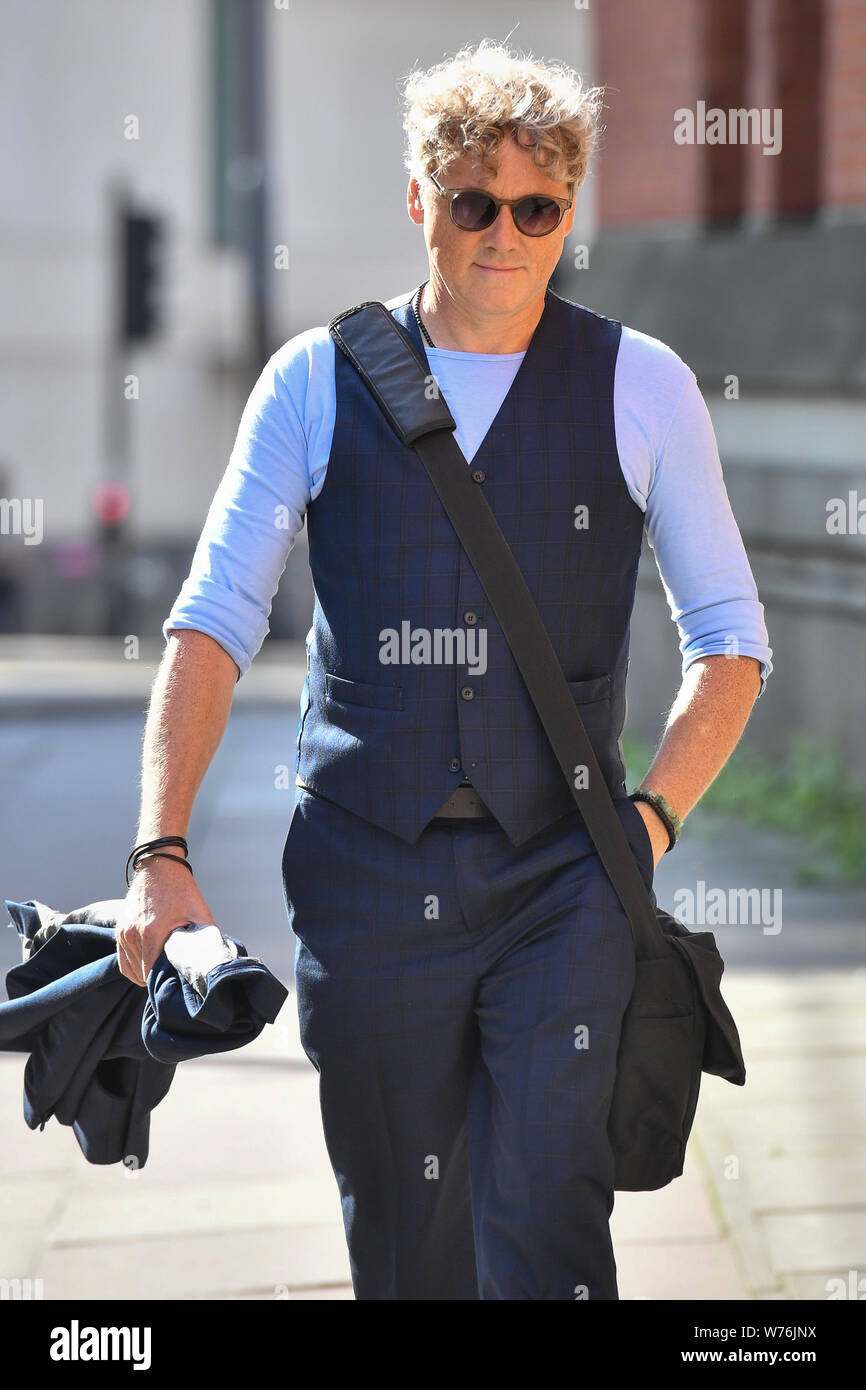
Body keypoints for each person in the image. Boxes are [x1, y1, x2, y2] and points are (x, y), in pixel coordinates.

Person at [117, 40, 773, 1300]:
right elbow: (211, 622)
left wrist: (648, 824)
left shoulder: (643, 385)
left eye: (535, 208)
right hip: (366, 877)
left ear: (566, 215)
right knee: (405, 1247)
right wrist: (160, 852)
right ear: (420, 200)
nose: (502, 234)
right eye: (474, 201)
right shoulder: (312, 381)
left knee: (546, 1228)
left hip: (562, 882)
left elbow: (731, 640)